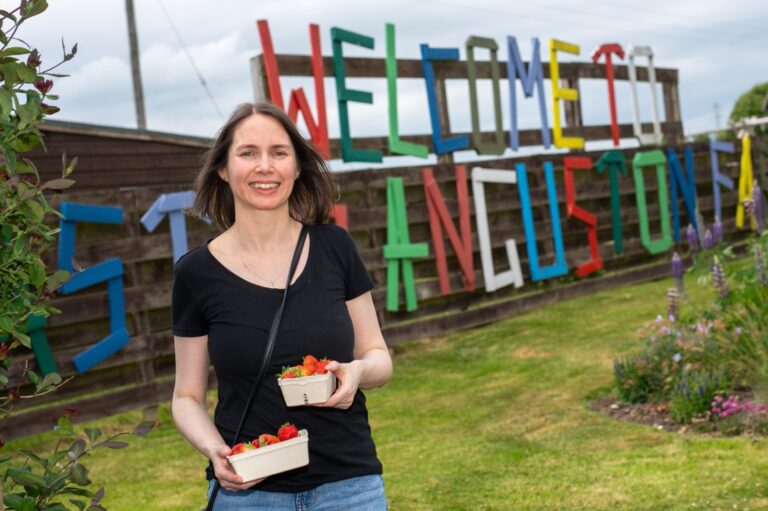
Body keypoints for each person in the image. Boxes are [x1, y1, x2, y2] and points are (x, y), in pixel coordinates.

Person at [171, 102, 393, 510]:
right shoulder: (195, 274)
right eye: (248, 152)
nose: (265, 166)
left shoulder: (335, 247)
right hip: (249, 494)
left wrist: (357, 371)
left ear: (296, 166)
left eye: (278, 152)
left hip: (349, 487)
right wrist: (215, 450)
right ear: (223, 168)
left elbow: (379, 357)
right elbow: (186, 396)